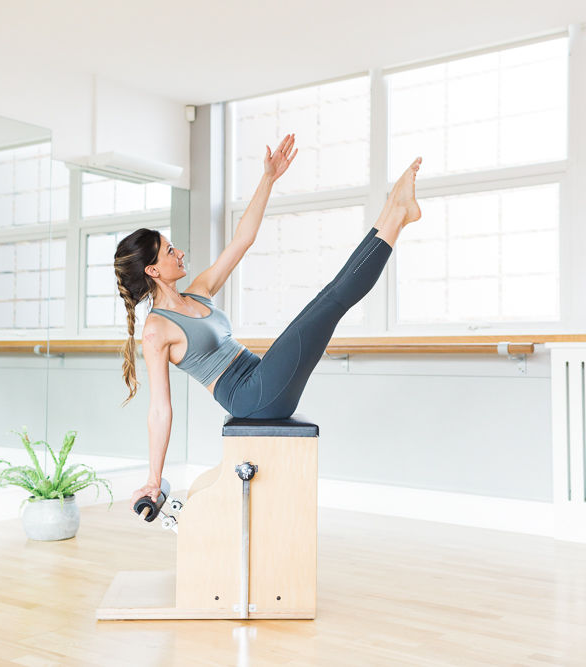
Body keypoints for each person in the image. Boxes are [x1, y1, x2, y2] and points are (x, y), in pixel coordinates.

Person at [115, 134, 422, 508]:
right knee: (332, 301)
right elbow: (160, 409)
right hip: (252, 398)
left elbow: (242, 240)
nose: (178, 252)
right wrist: (153, 478)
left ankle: (395, 213)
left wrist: (268, 178)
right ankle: (397, 215)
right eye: (169, 251)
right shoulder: (156, 330)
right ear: (152, 270)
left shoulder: (197, 292)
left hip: (259, 378)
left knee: (329, 297)